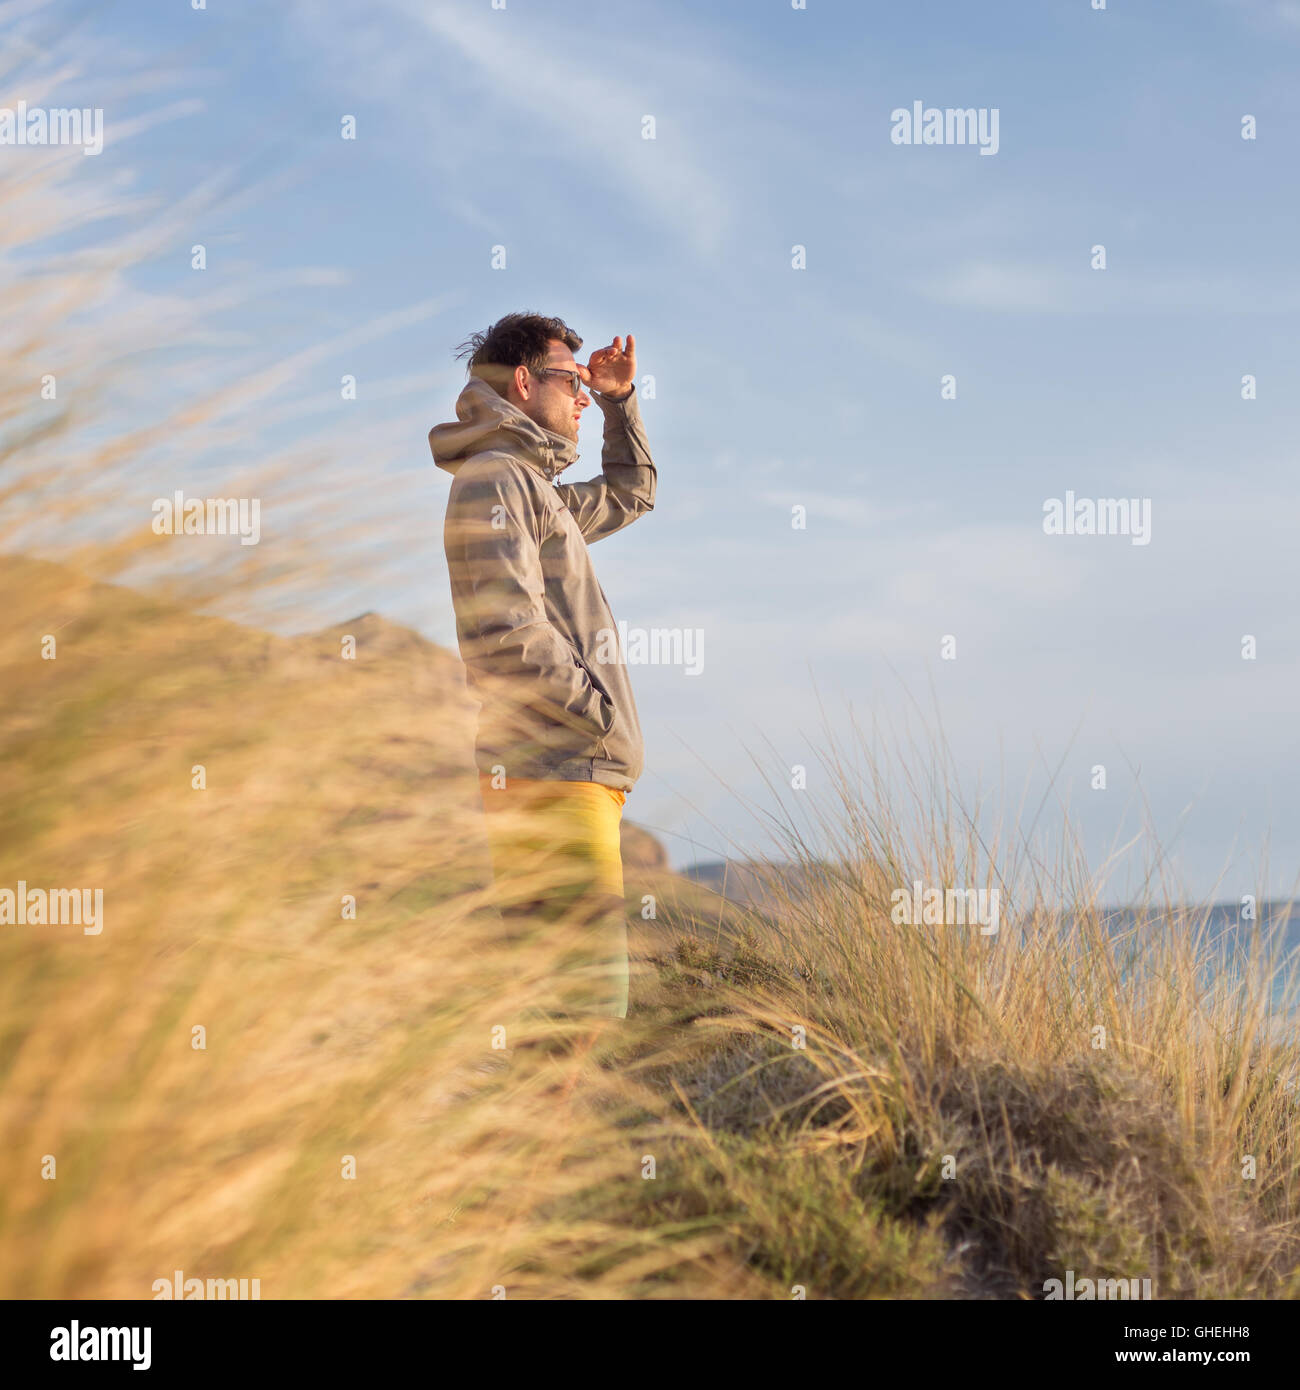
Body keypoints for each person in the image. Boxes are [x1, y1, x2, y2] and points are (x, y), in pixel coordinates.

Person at [430, 312, 656, 1023]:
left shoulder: (535, 492)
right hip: (555, 774)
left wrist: (621, 403)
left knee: (565, 1010)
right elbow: (507, 631)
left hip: (566, 775)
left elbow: (631, 492)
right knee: (579, 1013)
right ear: (523, 383)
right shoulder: (496, 481)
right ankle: (531, 1138)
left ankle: (528, 1137)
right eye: (572, 379)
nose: (583, 395)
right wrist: (596, 714)